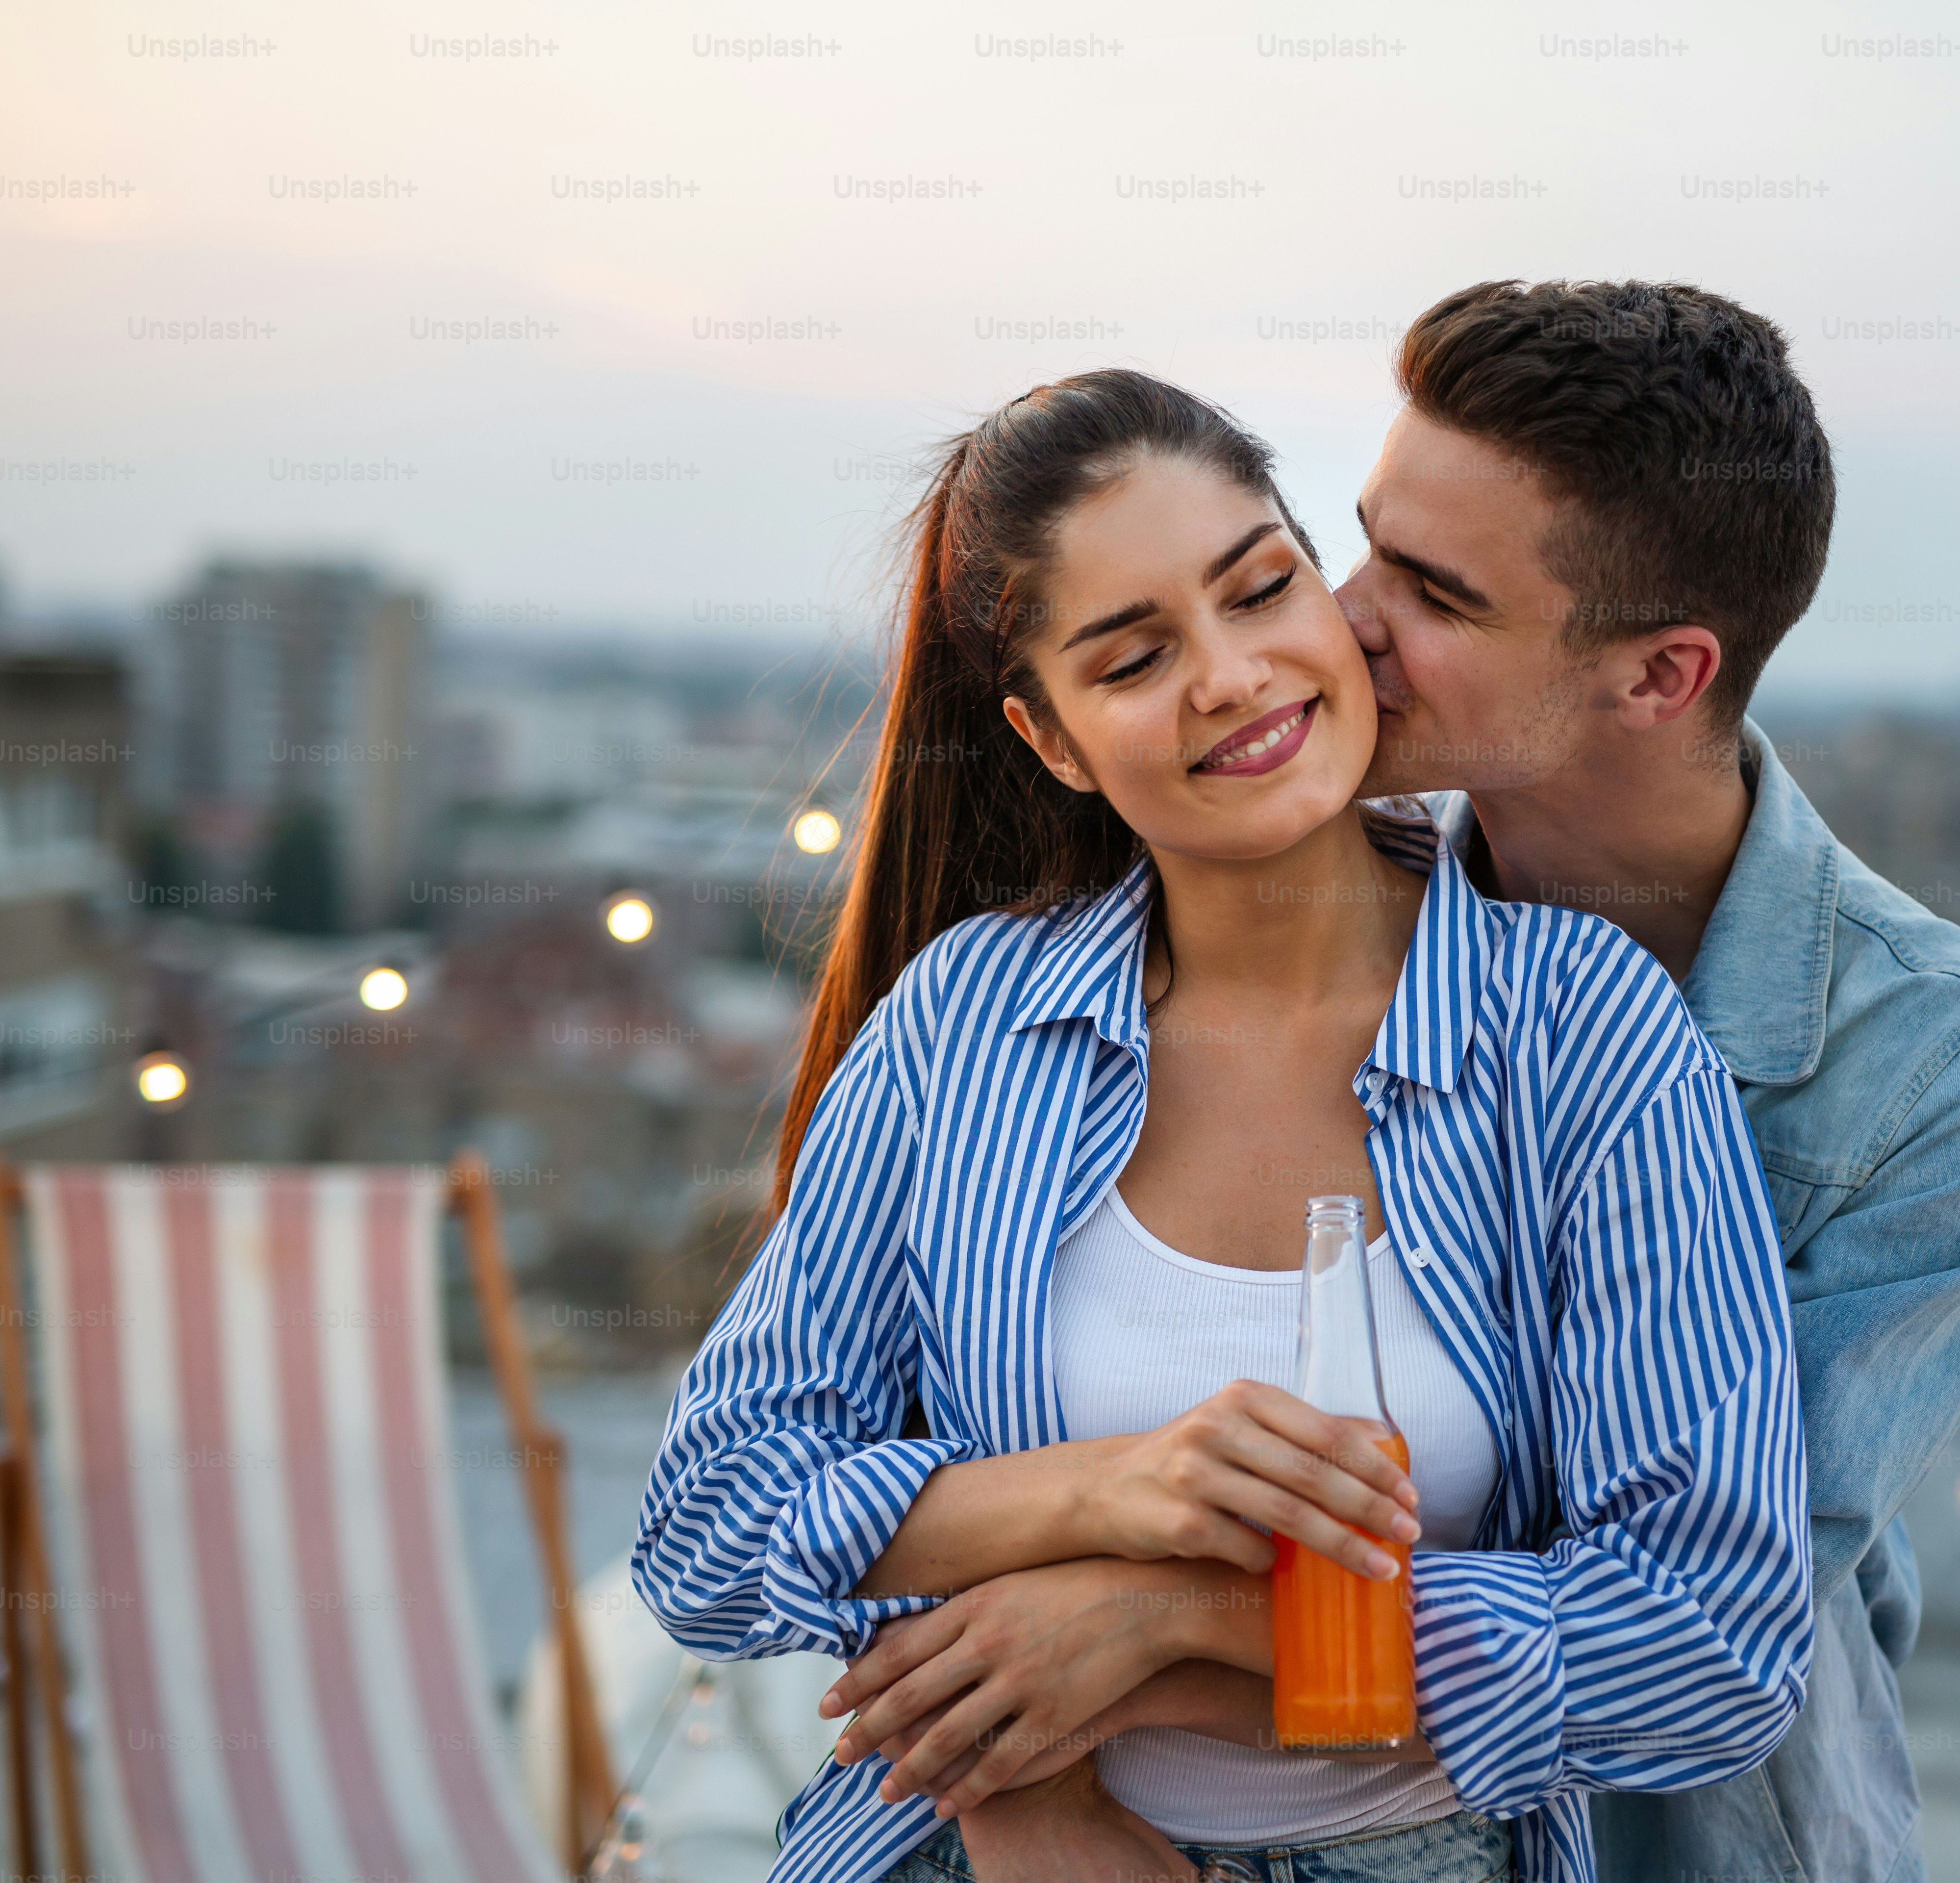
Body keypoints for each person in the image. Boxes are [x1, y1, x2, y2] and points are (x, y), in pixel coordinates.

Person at [631, 368, 1811, 1883]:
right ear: (1052, 741)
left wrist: (1170, 1622)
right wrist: (1112, 1493)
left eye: (1260, 590)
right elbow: (711, 1527)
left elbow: (1710, 1641)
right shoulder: (965, 1027)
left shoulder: (1583, 1034)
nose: (1233, 678)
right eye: (1131, 662)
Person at [1339, 280, 1960, 1882]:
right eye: (1366, 545)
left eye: (1434, 595)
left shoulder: (1945, 1073)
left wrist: (1154, 1607)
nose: (1340, 617)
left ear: (1663, 677)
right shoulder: (1283, 913)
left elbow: (1688, 1610)